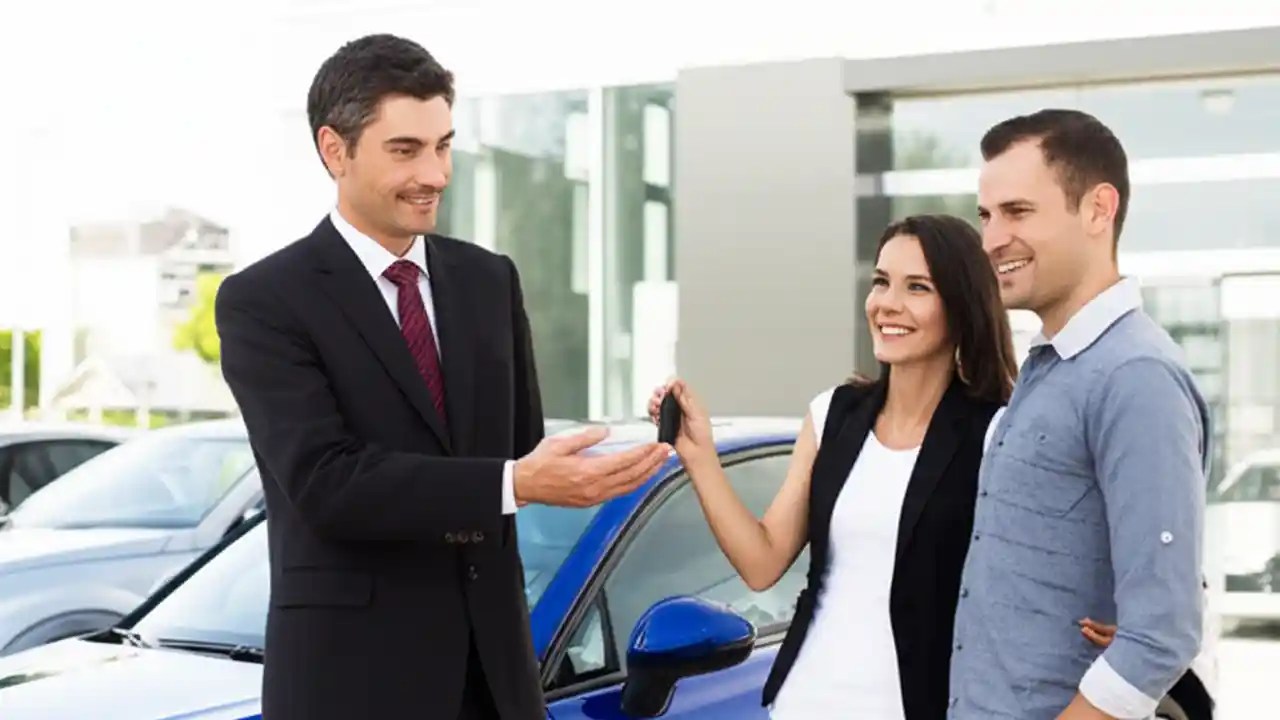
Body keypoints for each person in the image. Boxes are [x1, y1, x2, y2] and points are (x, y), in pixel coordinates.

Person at [215, 34, 668, 720]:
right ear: (334, 150)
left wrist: (606, 459)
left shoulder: (490, 280)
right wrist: (515, 481)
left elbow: (519, 452)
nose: (436, 173)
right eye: (407, 150)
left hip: (496, 680)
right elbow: (326, 484)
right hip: (351, 686)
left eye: (444, 145)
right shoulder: (265, 301)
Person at [650, 215, 1113, 719]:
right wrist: (699, 456)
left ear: (960, 308)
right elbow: (761, 563)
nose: (887, 304)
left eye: (917, 287)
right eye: (881, 281)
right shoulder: (833, 414)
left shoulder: (997, 430)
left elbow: (1054, 568)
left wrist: (1125, 618)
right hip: (802, 703)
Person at [949, 109, 1211, 719]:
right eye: (986, 216)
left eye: (1018, 212)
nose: (990, 240)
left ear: (1098, 209)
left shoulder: (1135, 375)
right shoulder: (1050, 366)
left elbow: (1162, 633)